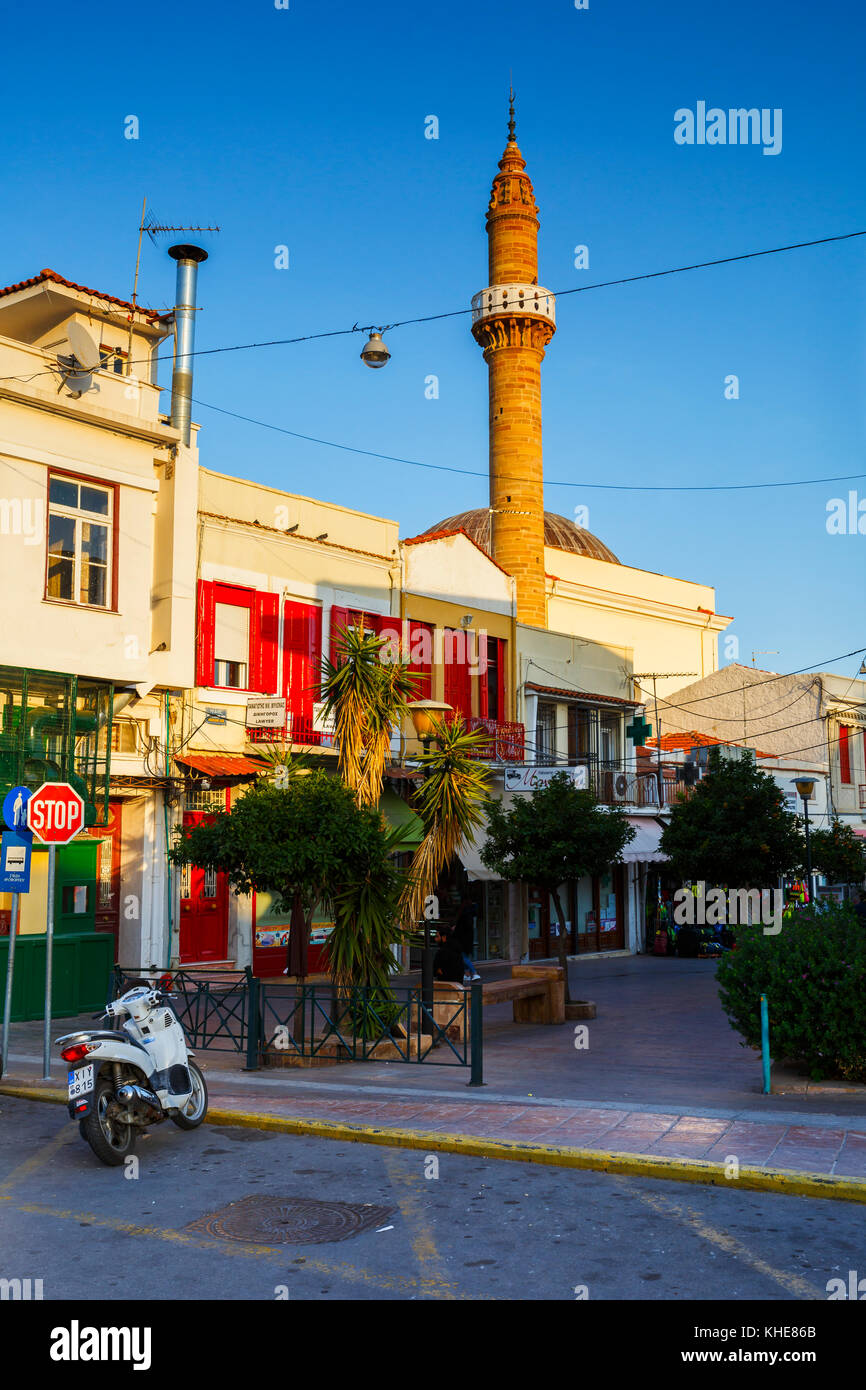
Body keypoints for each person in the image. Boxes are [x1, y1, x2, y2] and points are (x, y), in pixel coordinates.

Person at [452, 895, 480, 982]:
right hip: (467, 940)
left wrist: (455, 929)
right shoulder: (470, 913)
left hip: (462, 940)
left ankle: (474, 972)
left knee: (463, 957)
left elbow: (463, 928)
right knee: (464, 957)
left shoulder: (465, 914)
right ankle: (467, 974)